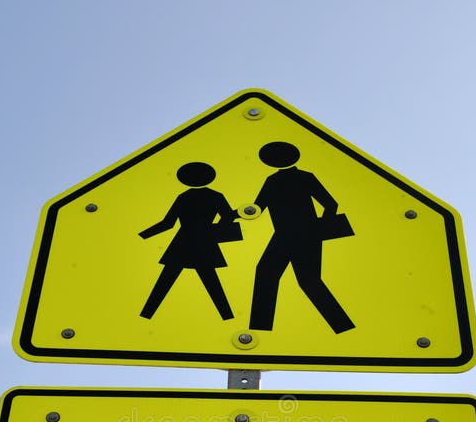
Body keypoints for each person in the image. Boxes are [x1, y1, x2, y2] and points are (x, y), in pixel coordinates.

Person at [247, 141, 355, 333]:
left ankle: (343, 326)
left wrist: (318, 230)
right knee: (269, 273)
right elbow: (256, 209)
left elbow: (330, 204)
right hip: (287, 236)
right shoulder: (274, 181)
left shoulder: (302, 178)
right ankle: (260, 330)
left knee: (305, 280)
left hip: (302, 235)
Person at [138, 162, 239, 320]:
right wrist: (215, 232)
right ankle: (228, 317)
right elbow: (228, 217)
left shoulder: (184, 197)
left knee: (165, 280)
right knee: (211, 281)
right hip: (204, 242)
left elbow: (167, 224)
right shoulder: (215, 196)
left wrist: (144, 235)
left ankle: (146, 315)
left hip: (182, 242)